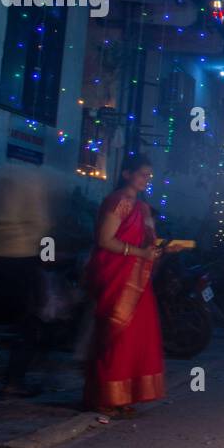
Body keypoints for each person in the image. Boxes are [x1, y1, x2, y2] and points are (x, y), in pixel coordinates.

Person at [83, 154, 184, 414]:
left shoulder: (142, 207)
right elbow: (105, 240)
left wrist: (163, 249)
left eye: (149, 176)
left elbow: (148, 244)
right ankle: (105, 397)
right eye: (142, 174)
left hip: (137, 279)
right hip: (116, 276)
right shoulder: (119, 202)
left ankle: (125, 395)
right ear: (127, 174)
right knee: (115, 335)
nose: (146, 180)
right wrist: (141, 254)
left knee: (138, 337)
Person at [0, 163, 57, 399]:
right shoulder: (32, 182)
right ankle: (14, 381)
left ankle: (15, 374)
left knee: (12, 317)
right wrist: (47, 258)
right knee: (30, 320)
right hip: (20, 255)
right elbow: (41, 225)